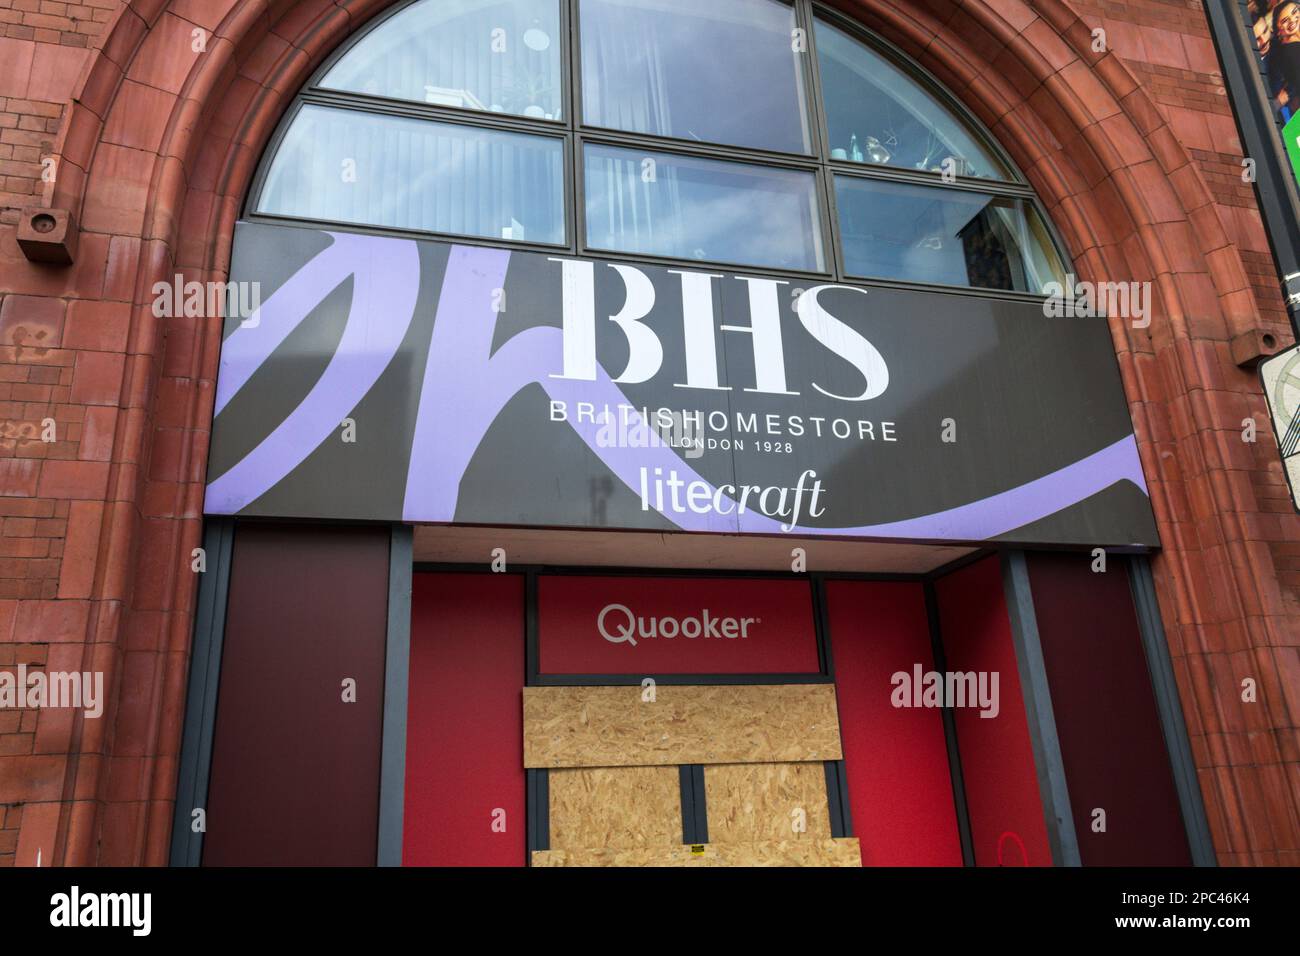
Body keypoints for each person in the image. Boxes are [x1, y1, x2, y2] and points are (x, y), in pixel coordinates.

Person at [1268, 1, 1300, 113]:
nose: (1292, 20)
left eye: (1294, 12)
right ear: (1278, 30)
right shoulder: (1290, 52)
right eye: (1285, 20)